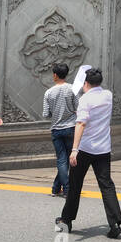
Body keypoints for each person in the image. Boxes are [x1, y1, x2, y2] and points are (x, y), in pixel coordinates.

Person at [55, 68, 121, 239]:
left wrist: (74, 150)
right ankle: (114, 222)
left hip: (85, 149)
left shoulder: (85, 99)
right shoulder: (108, 95)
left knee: (75, 184)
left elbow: (81, 124)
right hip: (103, 149)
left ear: (85, 83)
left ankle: (66, 219)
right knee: (106, 185)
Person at [42, 62, 78, 197]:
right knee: (67, 160)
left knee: (62, 160)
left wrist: (55, 113)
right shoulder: (73, 89)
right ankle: (63, 189)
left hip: (56, 129)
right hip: (71, 127)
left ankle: (58, 188)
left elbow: (46, 114)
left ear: (55, 75)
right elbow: (77, 107)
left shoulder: (48, 92)